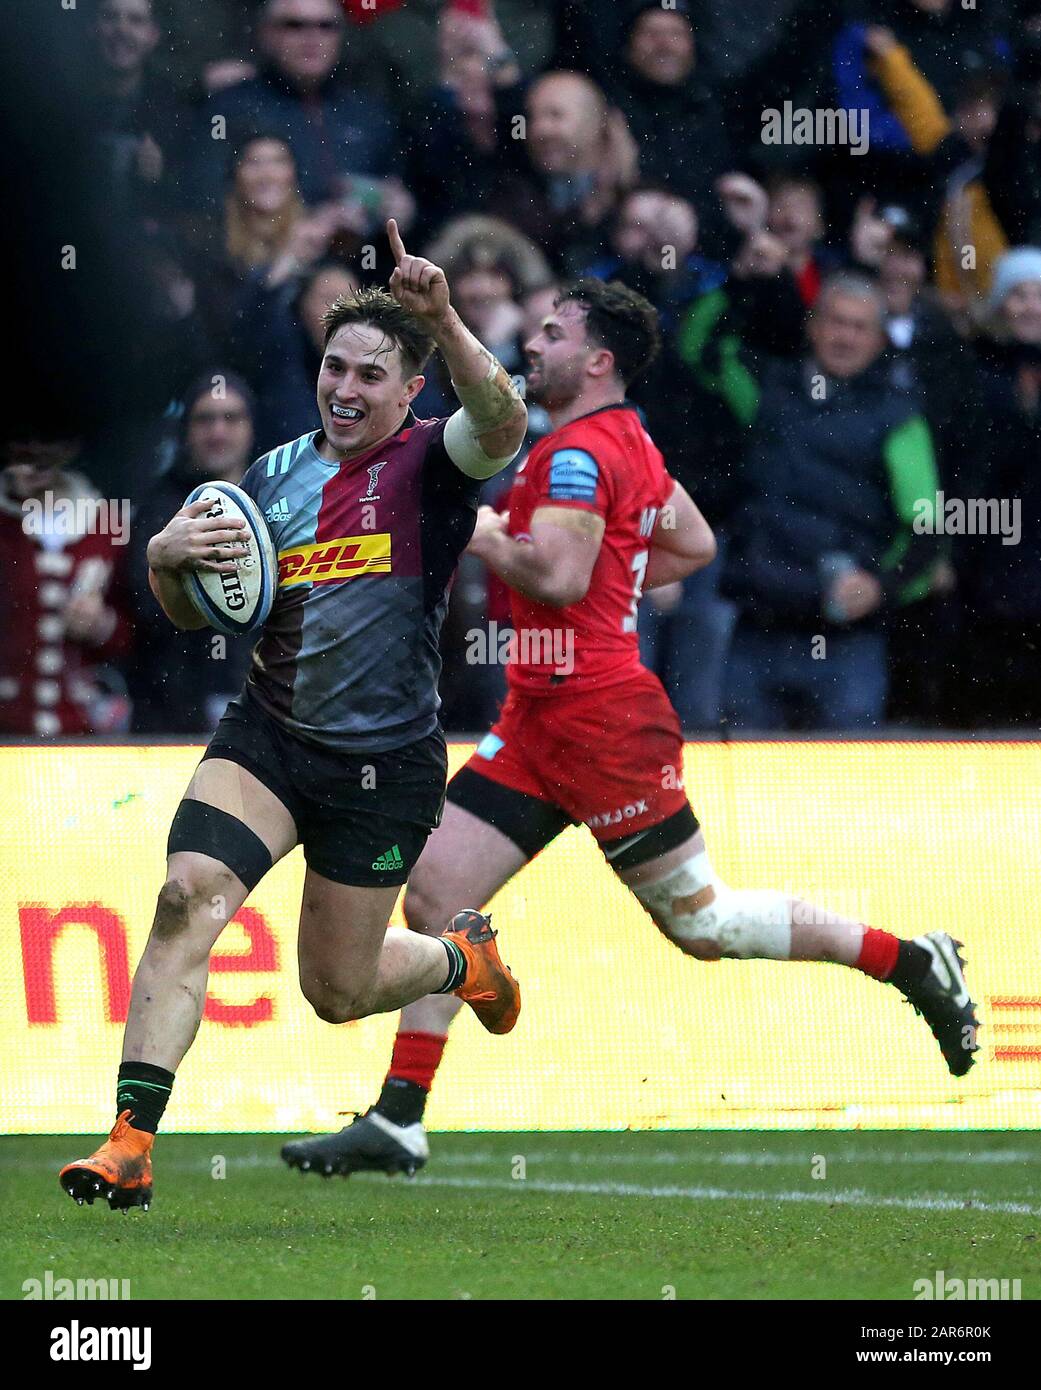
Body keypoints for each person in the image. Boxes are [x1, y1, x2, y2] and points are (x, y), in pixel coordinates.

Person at [280, 278, 979, 1181]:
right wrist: (606, 584)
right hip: (540, 717)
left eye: (550, 333)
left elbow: (563, 579)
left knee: (704, 924)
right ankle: (401, 1117)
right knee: (436, 890)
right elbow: (689, 544)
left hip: (604, 722)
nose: (533, 346)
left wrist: (488, 536)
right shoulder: (628, 438)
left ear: (597, 359)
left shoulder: (574, 454)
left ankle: (913, 961)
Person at [58, 221, 528, 1211]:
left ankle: (460, 957)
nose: (346, 389)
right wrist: (163, 564)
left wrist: (442, 317)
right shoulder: (264, 481)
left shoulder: (436, 466)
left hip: (384, 765)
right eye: (334, 368)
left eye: (371, 376)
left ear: (410, 392)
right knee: (187, 895)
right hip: (269, 735)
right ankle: (129, 1142)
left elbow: (503, 418)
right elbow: (200, 614)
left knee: (337, 993)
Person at [721, 273, 945, 731]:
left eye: (860, 327)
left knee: (846, 795)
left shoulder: (899, 416)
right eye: (835, 322)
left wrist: (881, 586)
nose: (845, 336)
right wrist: (748, 276)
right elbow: (703, 348)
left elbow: (929, 526)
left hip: (847, 641)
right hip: (756, 627)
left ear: (881, 339)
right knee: (743, 794)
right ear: (812, 326)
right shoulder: (766, 391)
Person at [126, 373, 259, 734]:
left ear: (251, 427)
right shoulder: (158, 508)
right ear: (185, 429)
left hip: (261, 704)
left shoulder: (277, 501)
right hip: (170, 706)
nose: (218, 431)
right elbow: (144, 607)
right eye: (205, 419)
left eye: (231, 418)